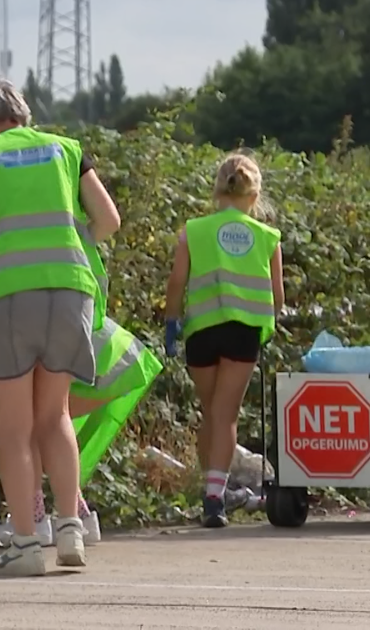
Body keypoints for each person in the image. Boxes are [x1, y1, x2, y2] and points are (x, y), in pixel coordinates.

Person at [0, 78, 121, 577]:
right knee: (55, 416)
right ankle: (70, 530)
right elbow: (109, 220)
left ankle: (24, 546)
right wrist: (71, 241)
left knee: (17, 429)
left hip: (5, 295)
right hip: (69, 288)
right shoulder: (66, 150)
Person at [163, 153, 285, 528]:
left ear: (216, 191)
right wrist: (271, 322)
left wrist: (171, 322)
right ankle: (215, 496)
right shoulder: (267, 237)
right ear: (255, 195)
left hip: (202, 331)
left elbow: (177, 283)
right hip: (243, 331)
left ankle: (210, 486)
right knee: (226, 414)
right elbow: (278, 296)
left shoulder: (193, 231)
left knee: (210, 411)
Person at [0, 319, 163, 548]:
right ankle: (79, 518)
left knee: (35, 424)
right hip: (121, 360)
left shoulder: (6, 321)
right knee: (47, 425)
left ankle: (33, 519)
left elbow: (16, 409)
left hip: (109, 366)